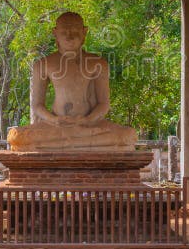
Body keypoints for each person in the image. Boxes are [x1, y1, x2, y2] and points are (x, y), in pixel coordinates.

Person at [7, 12, 137, 152]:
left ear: (84, 32)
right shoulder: (43, 64)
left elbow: (104, 104)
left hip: (90, 126)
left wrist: (87, 120)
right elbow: (37, 105)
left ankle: (64, 143)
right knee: (17, 137)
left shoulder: (98, 63)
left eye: (75, 31)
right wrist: (53, 120)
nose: (69, 37)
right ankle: (77, 142)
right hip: (55, 126)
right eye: (64, 32)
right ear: (55, 33)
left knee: (127, 135)